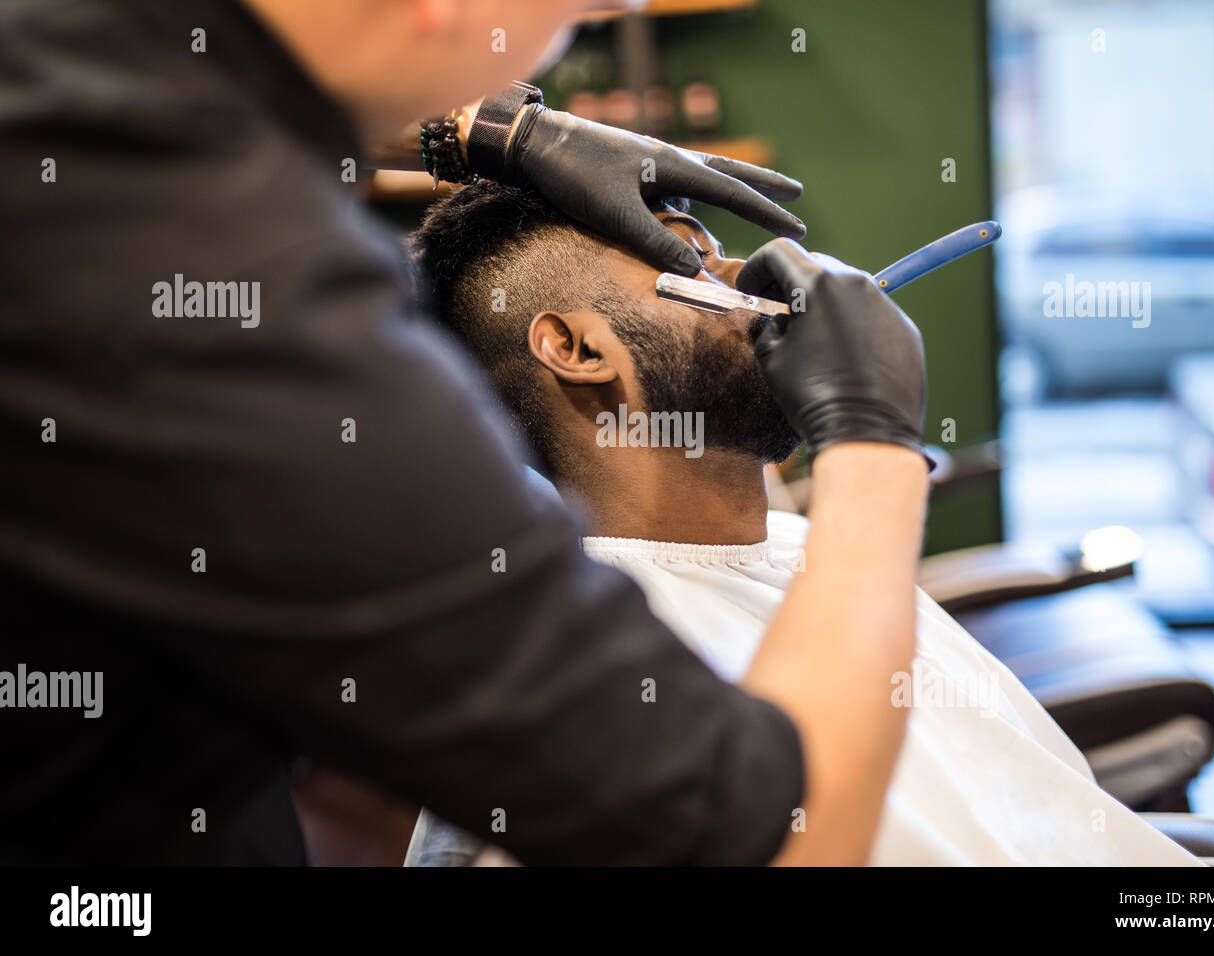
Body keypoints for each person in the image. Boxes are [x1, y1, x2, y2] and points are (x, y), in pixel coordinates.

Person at [0, 0, 930, 865]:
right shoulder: (230, 303)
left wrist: (482, 128)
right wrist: (874, 440)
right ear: (570, 346)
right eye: (577, 9)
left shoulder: (71, 75)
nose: (590, 23)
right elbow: (756, 834)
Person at [404, 180, 1202, 866]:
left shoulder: (787, 551)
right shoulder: (608, 680)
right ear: (577, 346)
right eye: (689, 261)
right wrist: (871, 436)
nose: (748, 277)